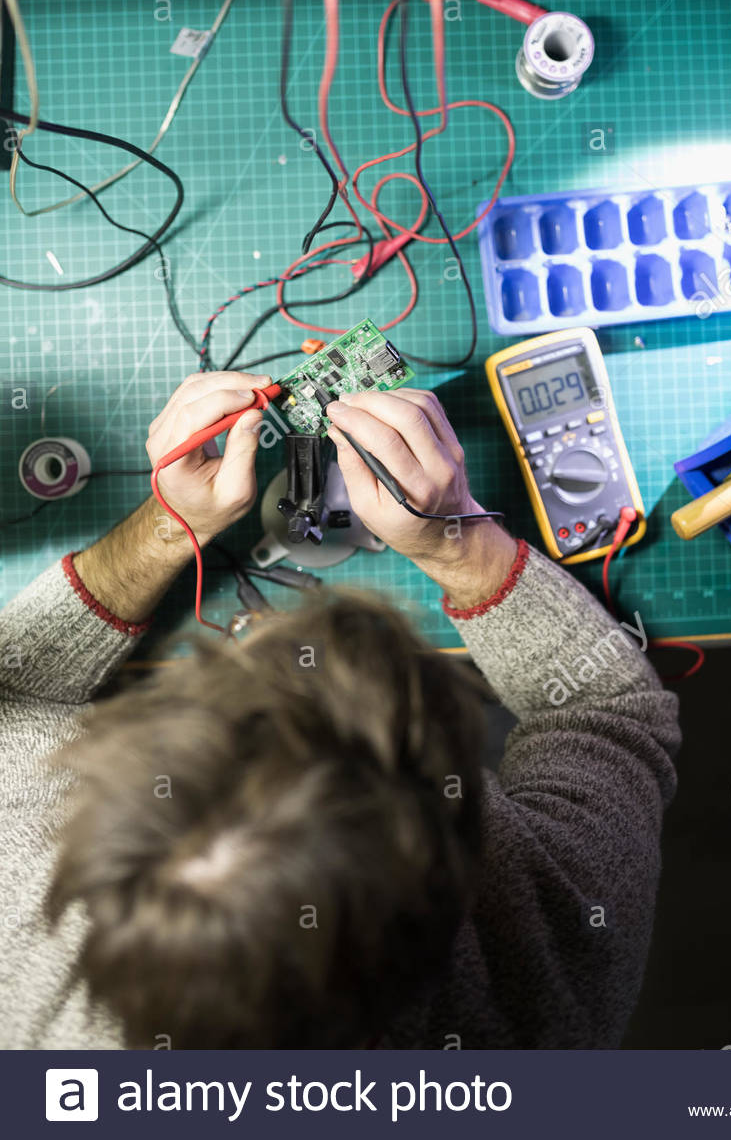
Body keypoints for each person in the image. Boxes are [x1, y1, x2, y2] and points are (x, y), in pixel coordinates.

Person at [0, 371, 680, 1049]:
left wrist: (172, 526)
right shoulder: (554, 993)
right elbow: (606, 710)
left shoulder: (18, 909)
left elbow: (14, 688)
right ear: (454, 860)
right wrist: (456, 543)